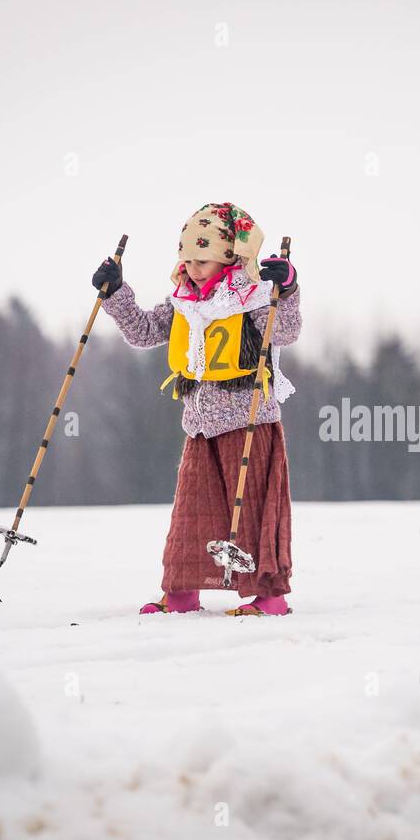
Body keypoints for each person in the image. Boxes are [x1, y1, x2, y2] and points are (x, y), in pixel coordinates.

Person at [92, 202, 301, 615]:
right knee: (192, 509)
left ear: (227, 256)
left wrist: (288, 289)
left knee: (254, 509)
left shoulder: (256, 297)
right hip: (200, 427)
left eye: (201, 259)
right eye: (185, 258)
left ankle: (269, 594)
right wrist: (116, 294)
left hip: (249, 422)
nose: (191, 266)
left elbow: (288, 330)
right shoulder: (184, 302)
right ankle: (182, 591)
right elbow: (144, 331)